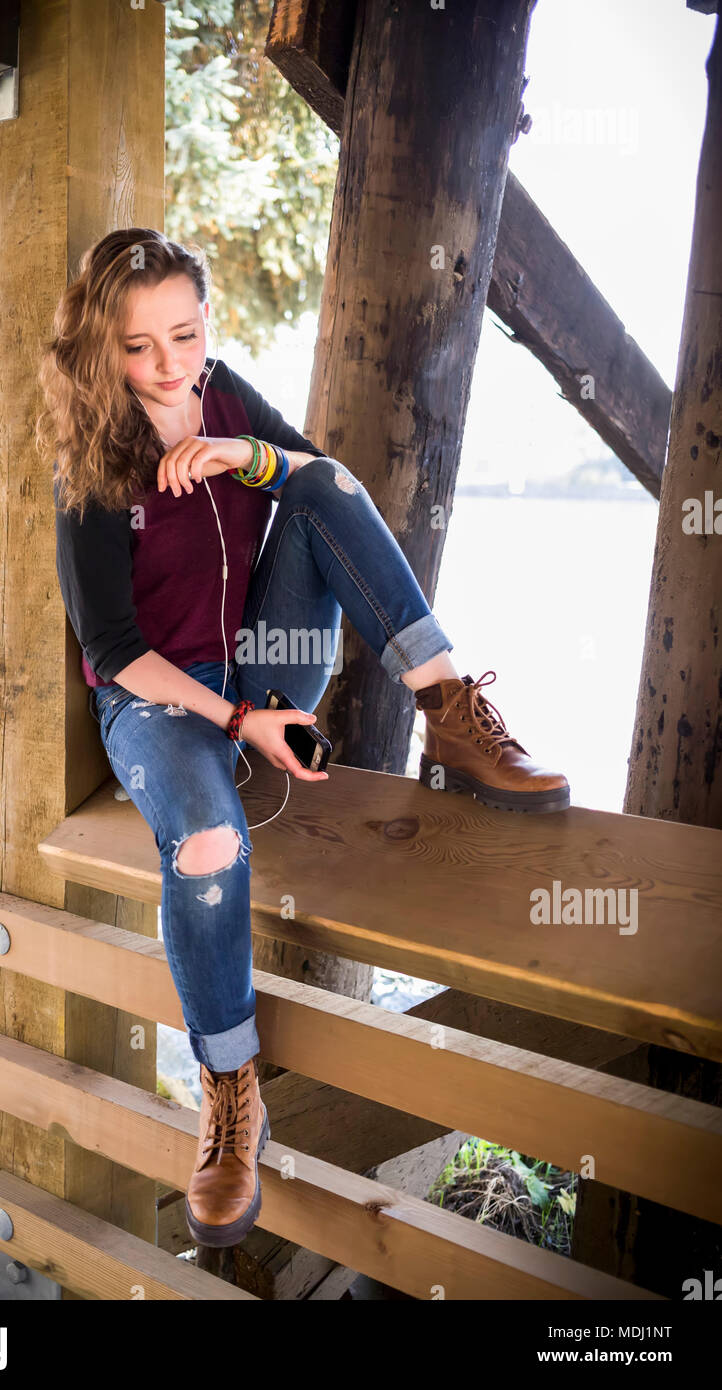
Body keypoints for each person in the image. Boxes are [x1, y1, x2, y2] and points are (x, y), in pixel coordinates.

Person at [37, 227, 569, 1249]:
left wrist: (246, 453)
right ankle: (230, 1091)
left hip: (266, 657)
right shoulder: (90, 469)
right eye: (137, 346)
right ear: (101, 348)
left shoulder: (225, 394)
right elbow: (113, 649)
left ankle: (449, 709)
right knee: (205, 843)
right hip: (163, 700)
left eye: (183, 335)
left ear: (205, 323)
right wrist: (243, 723)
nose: (167, 366)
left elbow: (322, 483)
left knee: (318, 482)